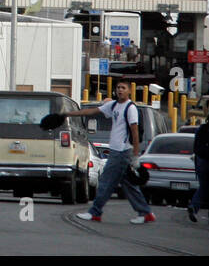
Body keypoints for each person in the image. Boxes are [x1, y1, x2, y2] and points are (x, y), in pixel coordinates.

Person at [59, 81, 155, 224]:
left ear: (129, 91)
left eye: (123, 88)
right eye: (118, 88)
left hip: (122, 151)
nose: (120, 90)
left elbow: (135, 132)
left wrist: (135, 155)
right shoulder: (114, 105)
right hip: (117, 150)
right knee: (128, 184)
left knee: (105, 181)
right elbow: (92, 111)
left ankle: (95, 212)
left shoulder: (130, 108)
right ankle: (145, 213)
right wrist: (68, 113)